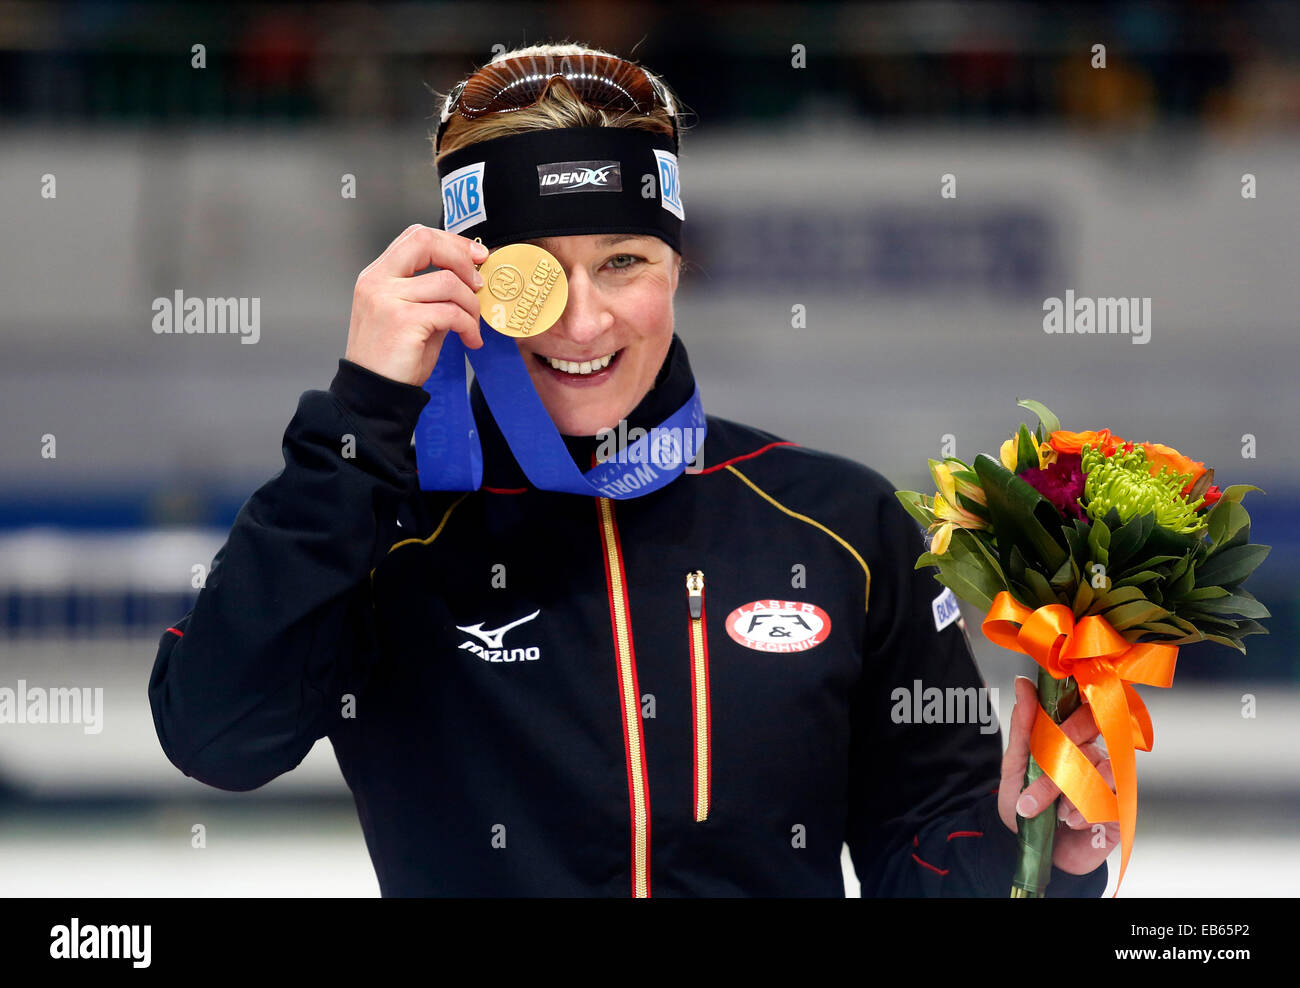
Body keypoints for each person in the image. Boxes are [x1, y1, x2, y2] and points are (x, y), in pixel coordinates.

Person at [148, 43, 1115, 897]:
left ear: (678, 267)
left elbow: (927, 852)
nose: (582, 322)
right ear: (467, 278)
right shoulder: (387, 525)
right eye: (535, 270)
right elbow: (218, 737)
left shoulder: (837, 524)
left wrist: (1042, 852)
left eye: (623, 262)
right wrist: (359, 419)